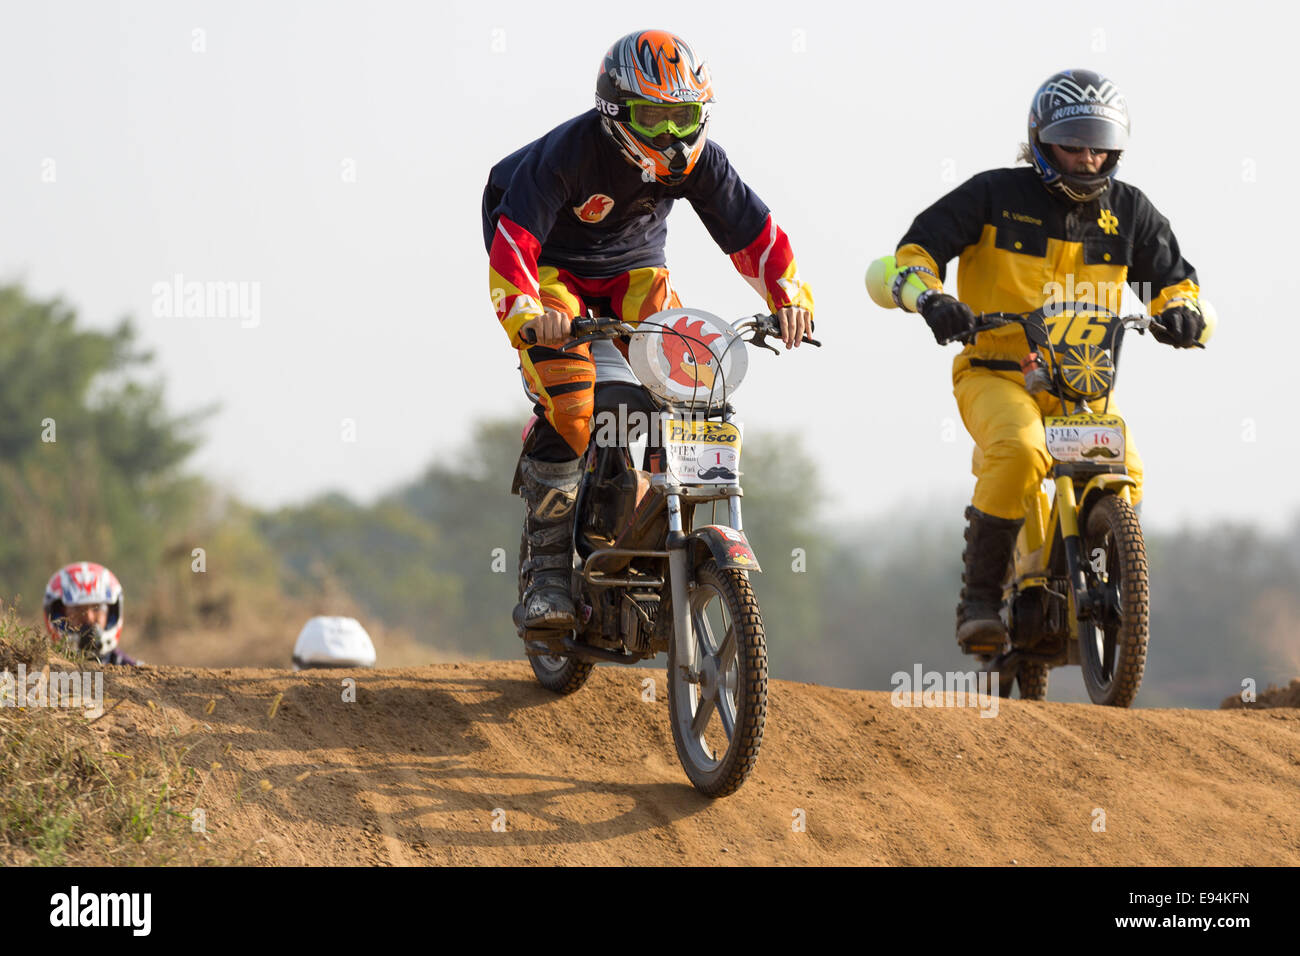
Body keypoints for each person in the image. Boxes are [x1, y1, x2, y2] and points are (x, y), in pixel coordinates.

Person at [483, 29, 814, 633]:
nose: (673, 135)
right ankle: (549, 572)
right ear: (614, 112)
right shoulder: (565, 155)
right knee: (574, 401)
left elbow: (753, 234)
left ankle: (653, 507)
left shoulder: (700, 159)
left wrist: (789, 298)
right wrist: (528, 314)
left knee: (688, 382)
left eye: (684, 116)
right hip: (550, 268)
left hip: (635, 268)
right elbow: (513, 248)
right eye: (654, 117)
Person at [887, 69, 1205, 655]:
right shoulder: (992, 195)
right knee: (1019, 450)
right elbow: (908, 258)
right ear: (1040, 138)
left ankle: (1091, 580)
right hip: (995, 373)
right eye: (1073, 143)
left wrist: (1184, 314)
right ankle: (979, 602)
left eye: (1099, 145)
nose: (1087, 158)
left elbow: (1176, 284)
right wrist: (932, 299)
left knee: (1128, 470)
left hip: (1084, 389)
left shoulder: (1130, 213)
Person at [42, 561, 138, 665]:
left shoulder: (136, 670)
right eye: (77, 609)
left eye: (97, 608)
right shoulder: (40, 667)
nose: (89, 617)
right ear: (59, 615)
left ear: (111, 613)